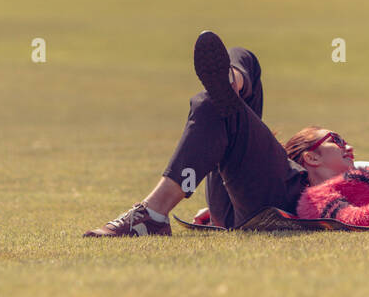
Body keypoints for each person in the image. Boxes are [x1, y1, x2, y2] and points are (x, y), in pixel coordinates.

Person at [83, 31, 305, 236]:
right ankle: (230, 83)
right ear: (311, 158)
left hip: (271, 202)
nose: (342, 145)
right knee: (242, 60)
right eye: (333, 139)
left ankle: (153, 213)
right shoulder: (304, 173)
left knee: (213, 104)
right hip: (247, 202)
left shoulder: (319, 181)